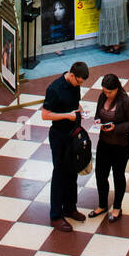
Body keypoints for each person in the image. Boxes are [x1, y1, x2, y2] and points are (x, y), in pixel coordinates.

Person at [41, 60, 89, 232]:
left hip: (73, 134)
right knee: (60, 173)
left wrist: (80, 110)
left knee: (72, 171)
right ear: (72, 75)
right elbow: (45, 115)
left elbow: (75, 103)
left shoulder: (76, 85)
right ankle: (56, 215)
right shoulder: (54, 89)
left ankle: (70, 207)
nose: (80, 85)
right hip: (59, 136)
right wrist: (66, 116)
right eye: (79, 81)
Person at [88, 73, 129, 222]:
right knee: (100, 174)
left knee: (118, 175)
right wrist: (97, 121)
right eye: (105, 91)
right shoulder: (102, 97)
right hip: (104, 142)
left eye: (110, 92)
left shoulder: (125, 101)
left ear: (117, 89)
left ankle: (117, 207)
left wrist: (115, 128)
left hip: (121, 145)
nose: (106, 94)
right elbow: (98, 114)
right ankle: (102, 204)